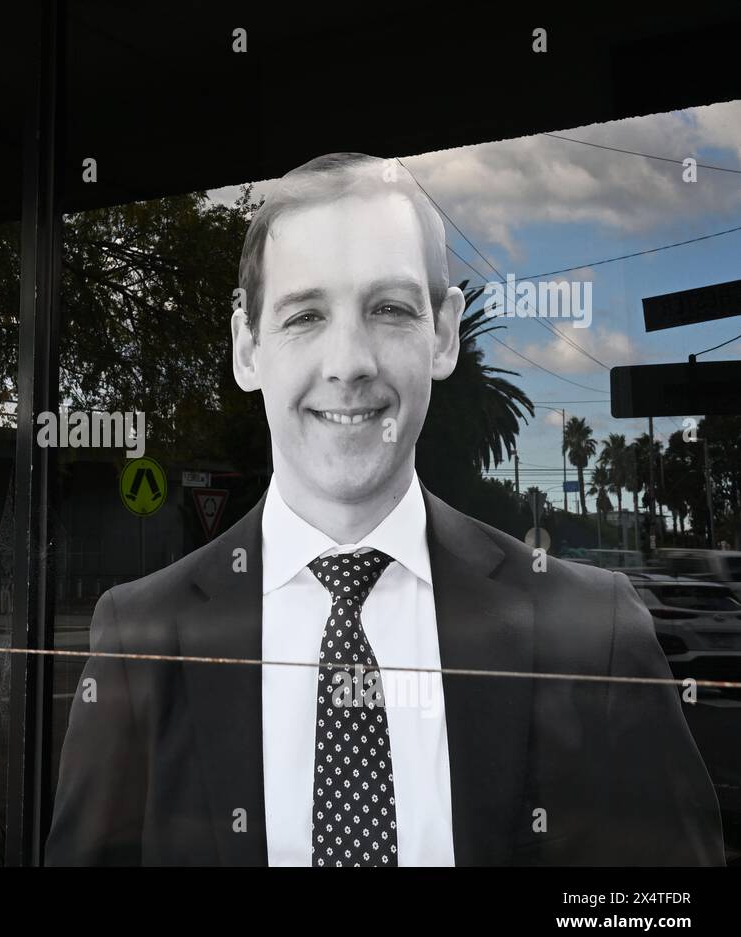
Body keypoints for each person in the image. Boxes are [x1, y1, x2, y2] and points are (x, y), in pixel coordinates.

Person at [45, 153, 724, 866]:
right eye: (305, 314)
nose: (350, 362)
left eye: (390, 309)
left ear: (444, 333)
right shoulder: (141, 637)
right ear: (248, 347)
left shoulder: (595, 633)